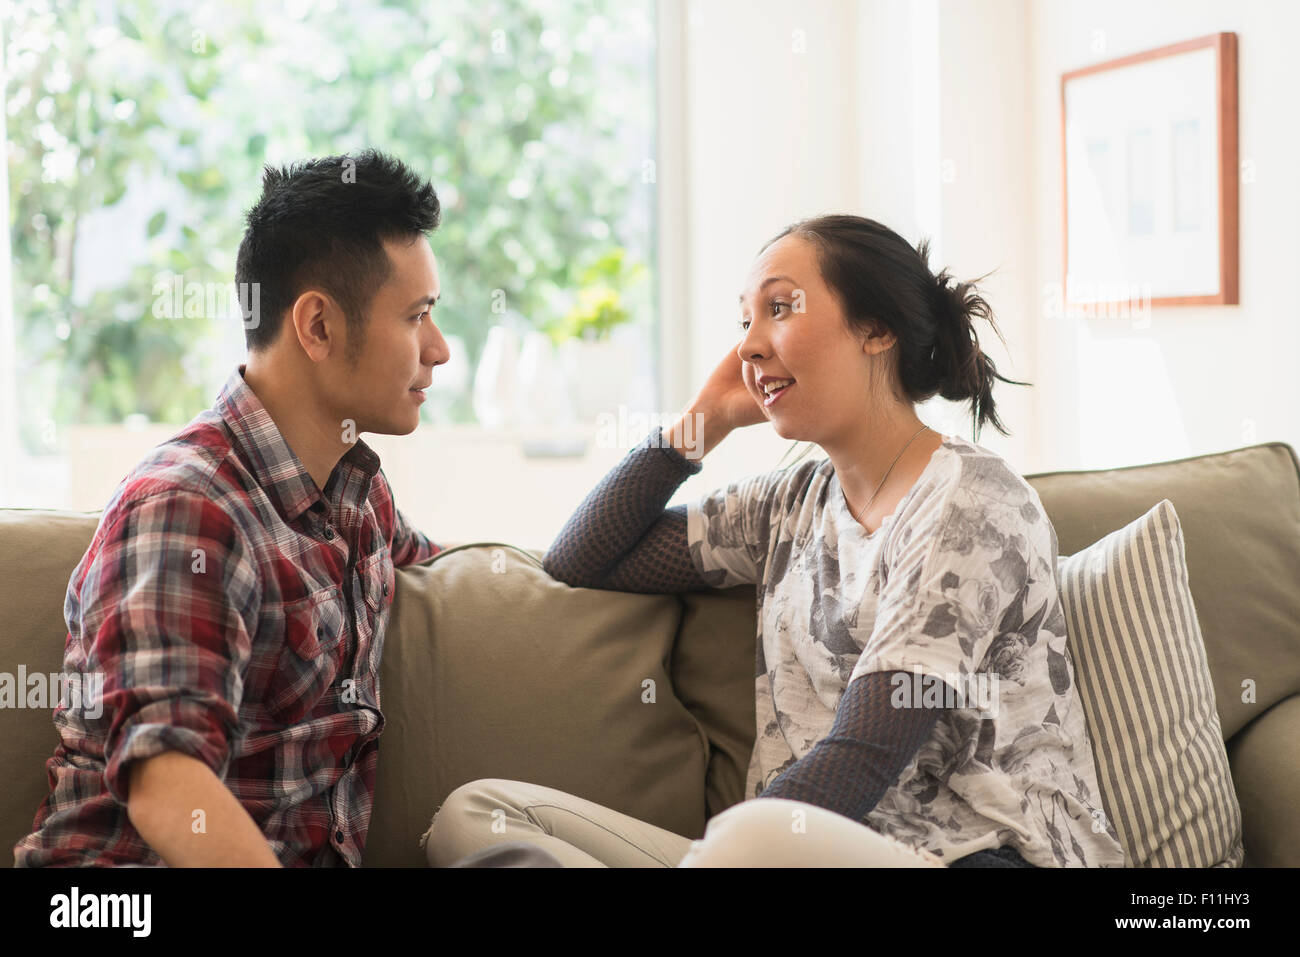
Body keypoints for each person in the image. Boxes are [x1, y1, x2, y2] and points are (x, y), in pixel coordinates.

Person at [422, 214, 1126, 868]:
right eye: (745, 320)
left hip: (975, 855)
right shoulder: (790, 503)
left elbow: (863, 756)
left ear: (875, 329)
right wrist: (703, 421)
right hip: (776, 852)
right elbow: (582, 557)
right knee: (477, 815)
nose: (749, 344)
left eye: (781, 307)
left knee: (754, 834)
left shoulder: (971, 501)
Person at [14, 149, 449, 867]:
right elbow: (165, 779)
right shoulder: (188, 508)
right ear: (317, 326)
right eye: (417, 316)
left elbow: (497, 566)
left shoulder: (356, 497)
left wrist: (683, 447)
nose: (439, 350)